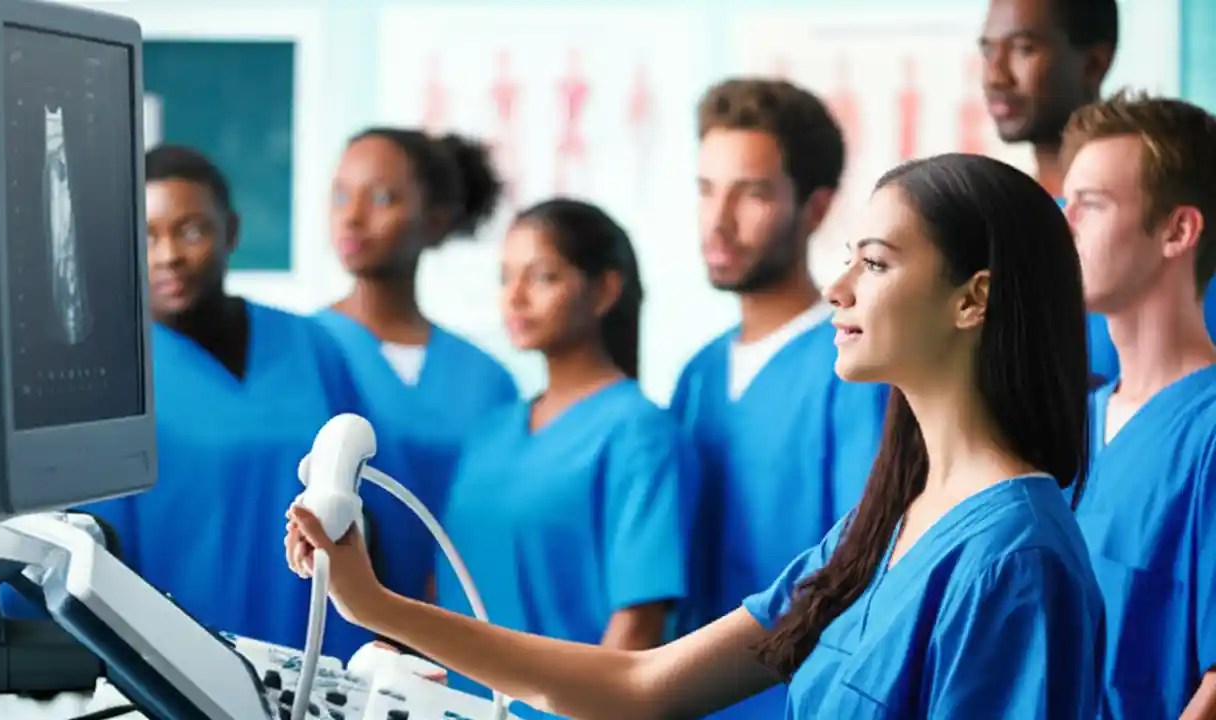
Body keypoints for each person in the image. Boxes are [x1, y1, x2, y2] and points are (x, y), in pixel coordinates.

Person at [286, 152, 1105, 719]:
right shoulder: (882, 529)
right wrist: (373, 603)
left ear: (973, 299)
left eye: (878, 264)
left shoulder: (1014, 563)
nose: (837, 287)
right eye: (847, 258)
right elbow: (643, 687)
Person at [45, 145, 397, 662]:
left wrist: (389, 635)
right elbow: (86, 552)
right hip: (183, 662)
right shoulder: (106, 375)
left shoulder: (312, 346)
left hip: (330, 649)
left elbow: (378, 509)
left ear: (230, 231)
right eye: (146, 235)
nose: (169, 254)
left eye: (190, 230)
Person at [668, 76, 888, 719]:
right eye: (706, 189)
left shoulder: (855, 368)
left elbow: (865, 568)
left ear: (815, 208)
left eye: (752, 193)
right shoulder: (698, 376)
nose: (719, 218)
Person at [433, 199, 694, 713]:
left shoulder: (639, 432)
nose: (516, 296)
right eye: (506, 277)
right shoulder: (490, 432)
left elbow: (638, 623)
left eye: (543, 277)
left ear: (604, 290)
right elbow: (441, 581)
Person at [314, 128, 518, 605]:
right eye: (341, 195)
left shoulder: (488, 381)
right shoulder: (302, 351)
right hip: (327, 619)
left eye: (382, 198)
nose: (352, 217)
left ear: (436, 220)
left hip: (457, 633)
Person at [1061, 93, 1216, 720]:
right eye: (1063, 205)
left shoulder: (1206, 432)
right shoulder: (1070, 426)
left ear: (1177, 230)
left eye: (1089, 206)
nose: (1061, 226)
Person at [978, 0, 1134, 388]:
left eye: (1023, 48)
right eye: (987, 49)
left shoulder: (1150, 213)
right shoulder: (998, 215)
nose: (996, 75)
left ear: (1093, 63)